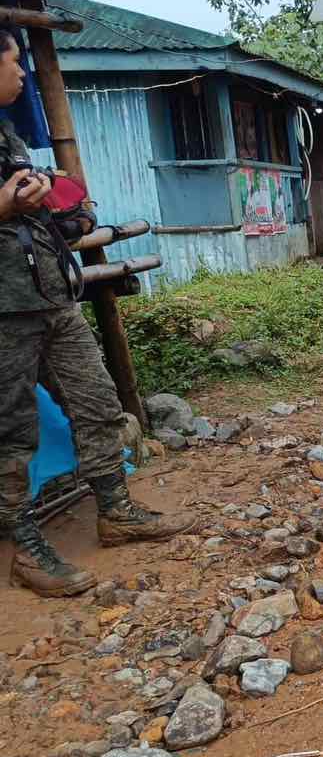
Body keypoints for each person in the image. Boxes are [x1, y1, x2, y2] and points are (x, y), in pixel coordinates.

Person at [0, 30, 194, 597]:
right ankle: (26, 548)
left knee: (96, 400)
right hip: (5, 309)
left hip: (48, 295)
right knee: (12, 430)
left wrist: (64, 216)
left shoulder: (7, 134)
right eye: (13, 62)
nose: (20, 75)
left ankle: (115, 508)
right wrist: (12, 201)